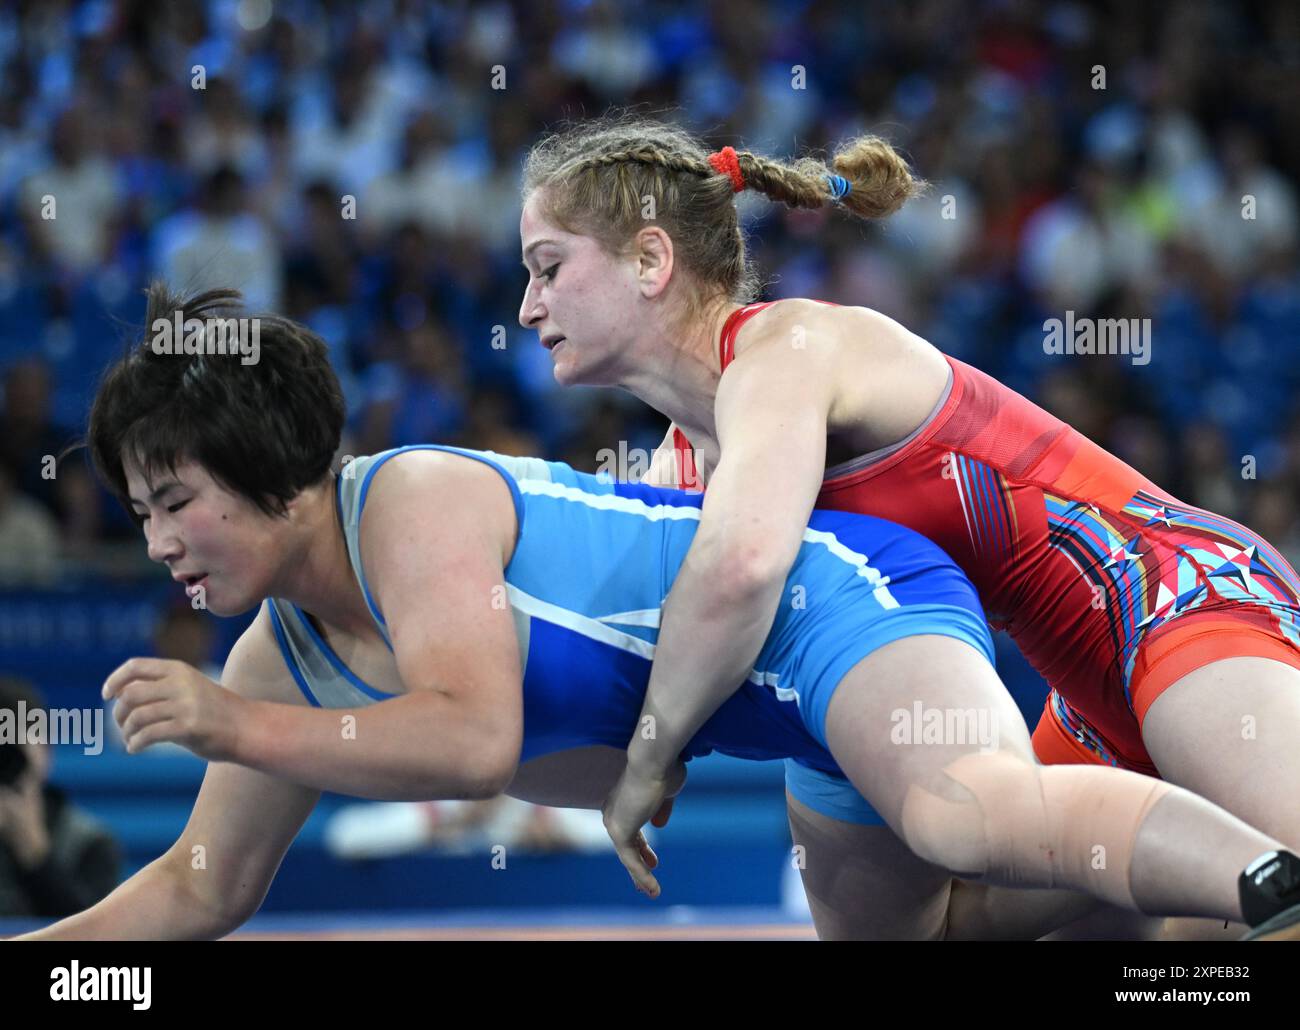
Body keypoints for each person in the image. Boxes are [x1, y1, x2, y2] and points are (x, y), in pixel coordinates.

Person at [14, 285, 1300, 942]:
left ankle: (1270, 871)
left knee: (971, 813)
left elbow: (468, 737)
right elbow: (198, 887)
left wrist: (234, 727)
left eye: (175, 499)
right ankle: (1192, 918)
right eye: (137, 513)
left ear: (266, 468)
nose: (158, 541)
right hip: (773, 723)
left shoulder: (406, 504)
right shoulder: (278, 660)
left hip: (831, 604)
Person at [516, 114, 1300, 934]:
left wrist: (647, 756)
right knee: (947, 929)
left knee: (1283, 893)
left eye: (548, 268)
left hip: (1176, 596)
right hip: (1083, 702)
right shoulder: (674, 474)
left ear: (650, 259)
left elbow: (742, 565)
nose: (529, 307)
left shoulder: (793, 347)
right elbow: (631, 672)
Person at [0, 677, 120, 918]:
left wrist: (36, 855)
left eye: (12, 752)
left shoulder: (90, 844)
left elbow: (98, 933)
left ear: (46, 753)